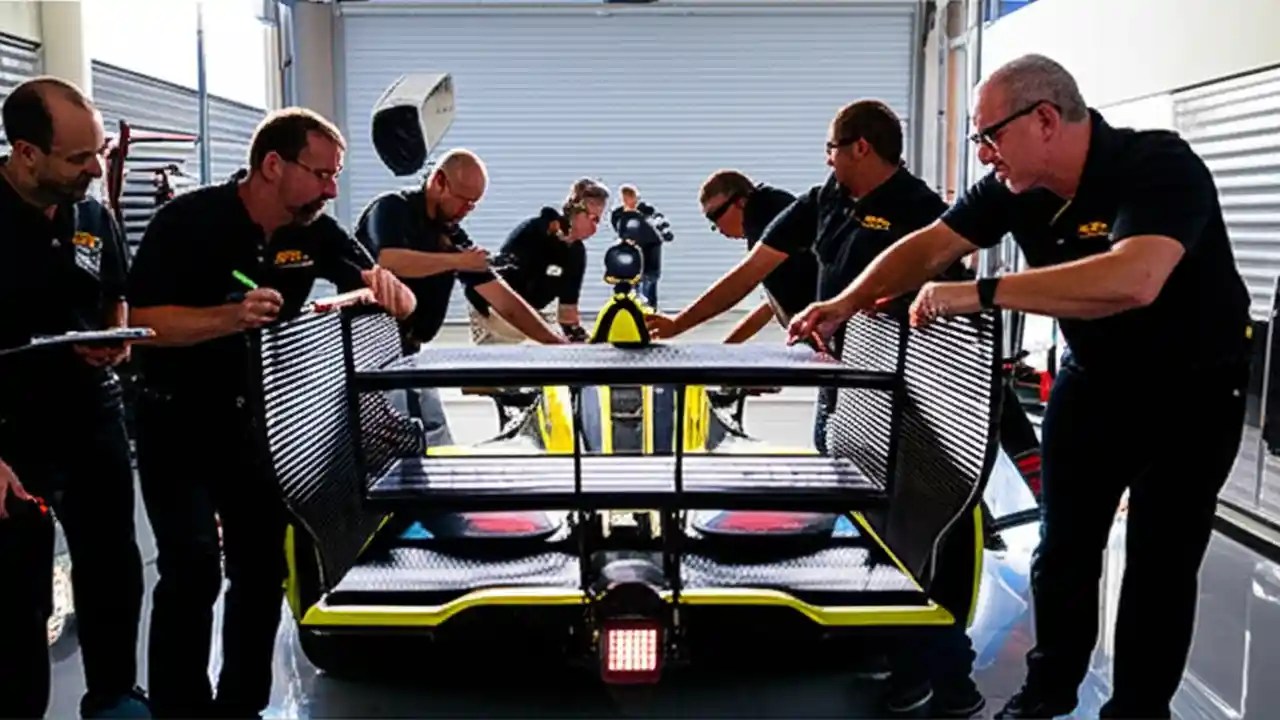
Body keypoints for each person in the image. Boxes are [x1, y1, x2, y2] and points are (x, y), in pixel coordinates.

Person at [789, 54, 1253, 720]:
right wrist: (846, 301)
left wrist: (980, 293)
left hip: (1193, 395)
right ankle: (1045, 694)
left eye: (989, 135)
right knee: (1062, 551)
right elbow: (929, 246)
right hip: (1094, 383)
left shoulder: (1157, 166)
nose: (982, 154)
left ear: (1043, 120)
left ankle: (1139, 710)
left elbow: (1134, 279)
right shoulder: (1014, 185)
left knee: (1160, 562)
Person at [124, 107, 416, 718]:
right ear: (273, 165)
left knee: (260, 571)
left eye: (336, 176)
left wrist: (386, 291)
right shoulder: (188, 222)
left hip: (257, 422)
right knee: (193, 566)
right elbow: (140, 327)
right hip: (174, 419)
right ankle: (178, 708)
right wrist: (228, 318)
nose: (332, 189)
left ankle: (241, 707)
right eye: (321, 174)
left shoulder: (317, 231)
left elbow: (386, 289)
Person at [0, 76, 150, 719]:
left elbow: (114, 290)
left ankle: (115, 698)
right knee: (17, 597)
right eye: (79, 158)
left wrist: (115, 340)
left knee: (114, 569)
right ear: (26, 153)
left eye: (97, 154)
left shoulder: (92, 213)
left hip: (91, 415)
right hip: (9, 432)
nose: (95, 169)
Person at [354, 148, 567, 442]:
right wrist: (456, 261)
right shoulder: (391, 209)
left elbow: (502, 299)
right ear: (439, 181)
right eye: (464, 200)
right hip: (372, 361)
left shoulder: (451, 234)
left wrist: (554, 342)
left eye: (474, 204)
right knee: (397, 453)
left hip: (411, 355)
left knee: (438, 444)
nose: (467, 209)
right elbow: (388, 260)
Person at [644, 169, 817, 344]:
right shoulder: (763, 224)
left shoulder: (766, 212)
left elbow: (743, 280)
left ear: (740, 202)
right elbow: (772, 304)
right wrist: (728, 347)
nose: (717, 228)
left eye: (715, 216)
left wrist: (677, 324)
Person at [465, 177, 609, 344]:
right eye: (594, 219)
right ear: (577, 210)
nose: (595, 227)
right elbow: (498, 284)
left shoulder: (576, 253)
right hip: (492, 307)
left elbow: (567, 314)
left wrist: (588, 344)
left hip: (528, 311)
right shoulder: (537, 231)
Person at [609, 183, 673, 309]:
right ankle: (628, 308)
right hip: (631, 251)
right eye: (626, 198)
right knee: (628, 280)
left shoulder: (645, 209)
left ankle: (650, 309)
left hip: (650, 247)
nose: (629, 200)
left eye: (631, 197)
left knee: (649, 279)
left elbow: (658, 219)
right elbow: (619, 228)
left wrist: (664, 230)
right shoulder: (618, 213)